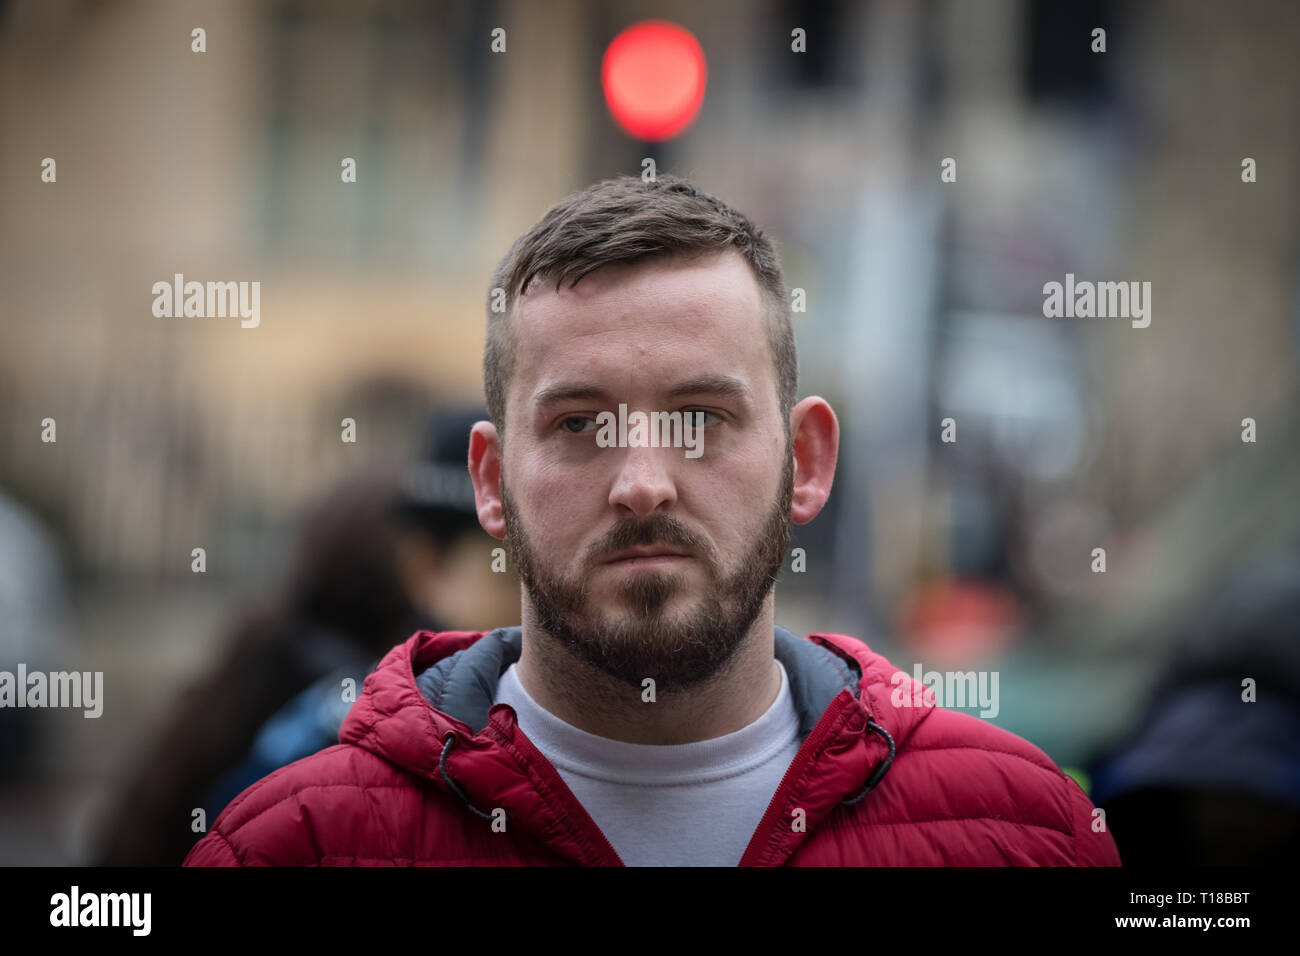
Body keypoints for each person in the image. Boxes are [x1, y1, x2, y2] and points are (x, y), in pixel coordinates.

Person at [184, 174, 1120, 866]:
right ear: (491, 479)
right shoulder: (293, 848)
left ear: (809, 461)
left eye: (702, 421)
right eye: (580, 424)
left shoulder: (1029, 836)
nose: (642, 484)